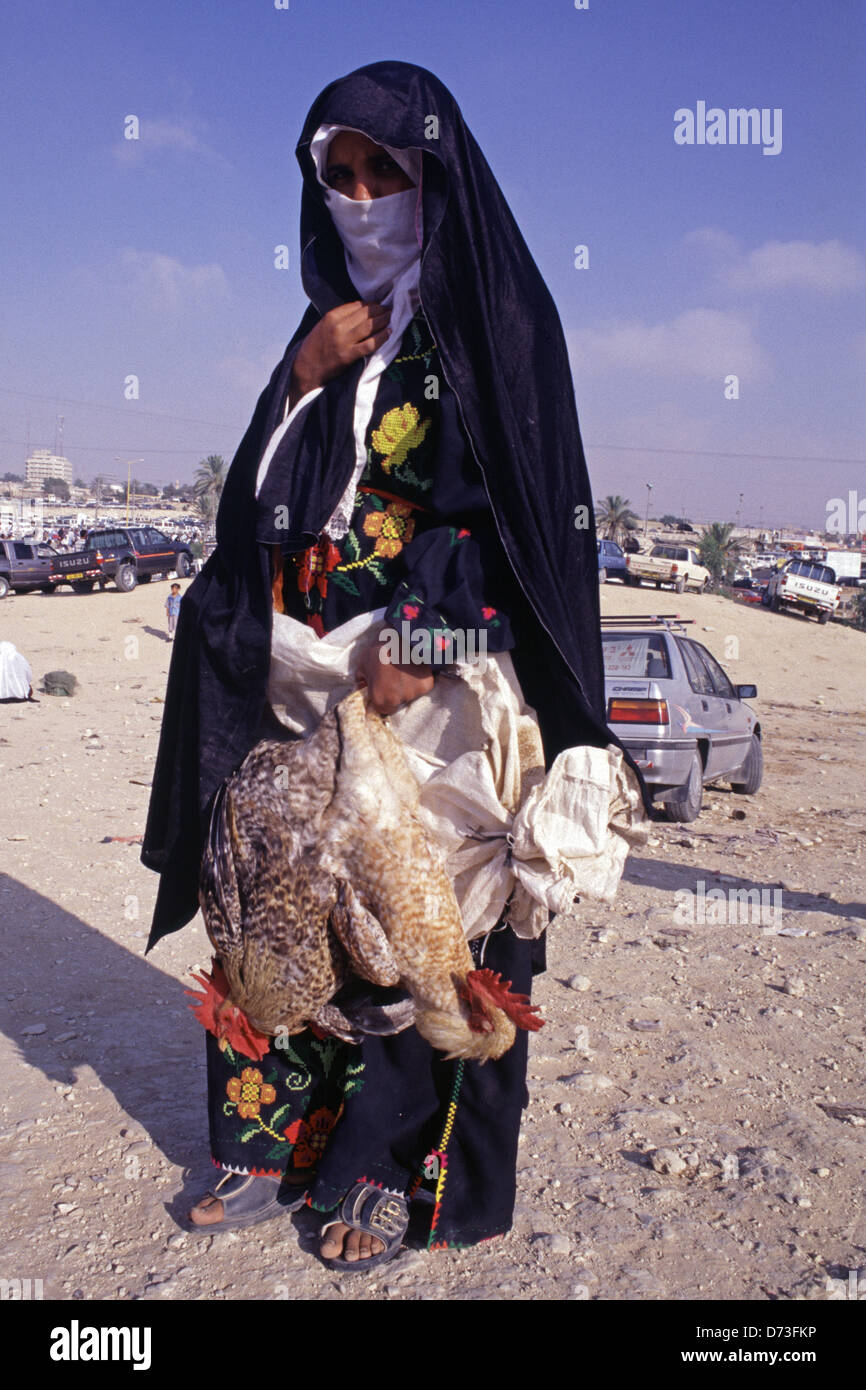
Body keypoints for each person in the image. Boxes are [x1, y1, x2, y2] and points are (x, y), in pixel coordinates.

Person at [142, 61, 647, 1270]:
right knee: (272, 886)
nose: (363, 197)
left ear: (435, 179)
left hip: (428, 684)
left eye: (387, 173)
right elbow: (253, 509)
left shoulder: (501, 324)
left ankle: (389, 1168)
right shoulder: (323, 330)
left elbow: (510, 523)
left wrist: (418, 643)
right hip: (294, 671)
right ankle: (267, 1140)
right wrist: (302, 378)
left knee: (419, 923)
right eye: (342, 176)